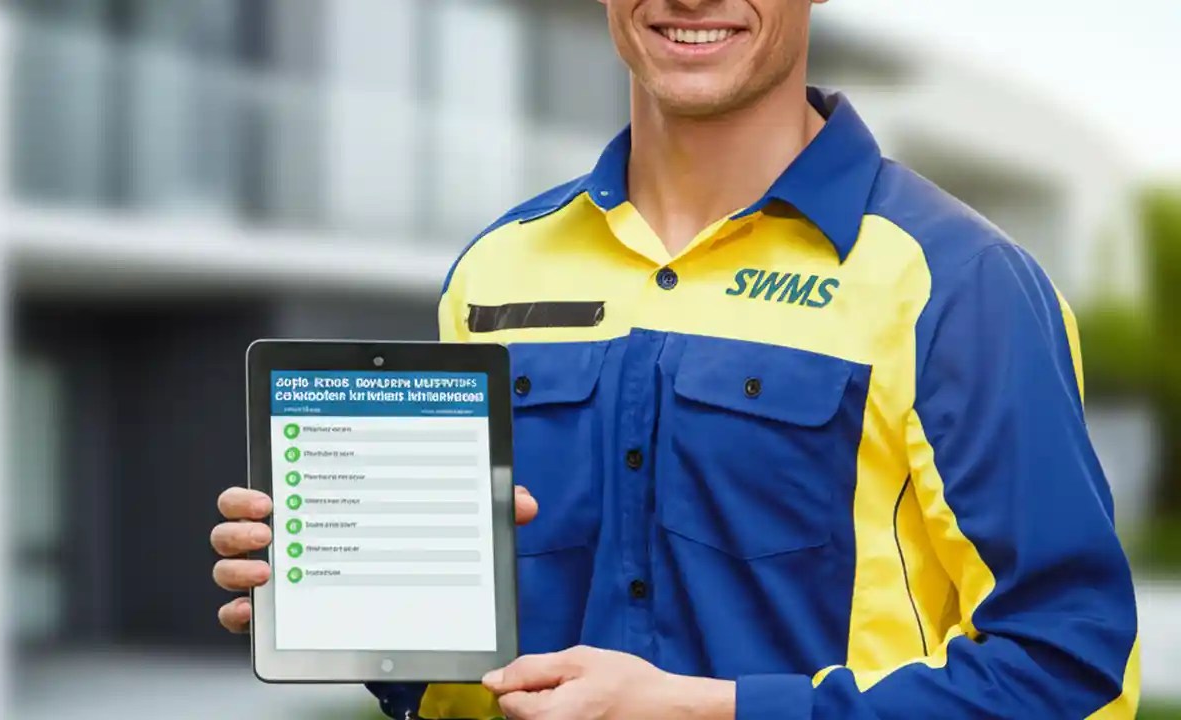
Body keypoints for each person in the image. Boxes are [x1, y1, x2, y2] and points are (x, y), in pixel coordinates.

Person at [211, 0, 1141, 717]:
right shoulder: (494, 270)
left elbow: (1073, 666)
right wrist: (349, 600)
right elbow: (471, 670)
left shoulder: (957, 282)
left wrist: (707, 707)